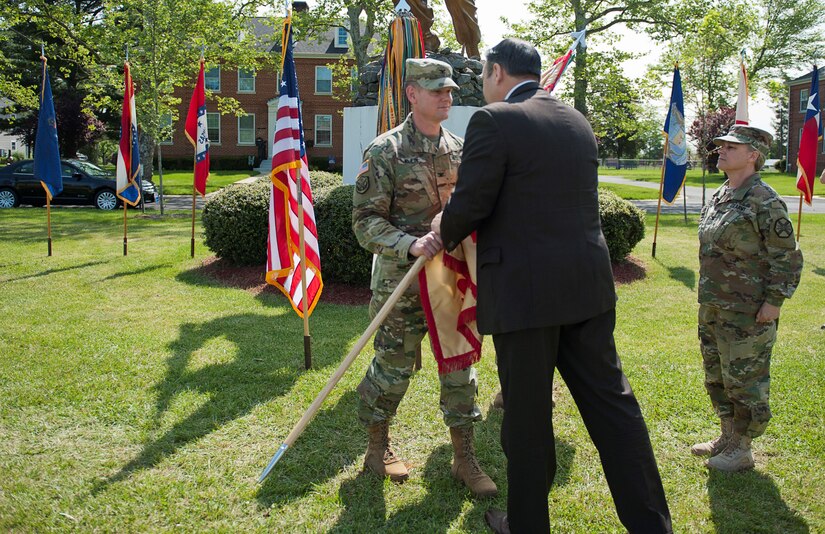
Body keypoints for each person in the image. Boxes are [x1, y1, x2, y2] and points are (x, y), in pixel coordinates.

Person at [432, 39, 672, 533]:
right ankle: (652, 525)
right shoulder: (576, 121)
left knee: (527, 420)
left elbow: (472, 202)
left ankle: (527, 526)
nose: (482, 83)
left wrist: (441, 227)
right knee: (614, 410)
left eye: (483, 74)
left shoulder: (494, 120)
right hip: (586, 289)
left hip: (526, 297)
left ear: (497, 72)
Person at [351, 57, 496, 497]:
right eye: (437, 90)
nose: (447, 96)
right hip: (403, 282)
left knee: (460, 368)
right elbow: (364, 222)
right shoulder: (386, 151)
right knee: (392, 369)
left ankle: (464, 458)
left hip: (451, 279)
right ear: (412, 94)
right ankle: (377, 449)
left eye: (449, 90)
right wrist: (408, 243)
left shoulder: (461, 150)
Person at [692, 125, 803, 471]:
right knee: (717, 375)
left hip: (748, 310)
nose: (721, 151)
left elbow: (787, 257)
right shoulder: (721, 194)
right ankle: (727, 436)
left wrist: (774, 301)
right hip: (714, 305)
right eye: (721, 146)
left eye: (731, 147)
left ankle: (742, 448)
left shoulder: (764, 200)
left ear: (753, 155)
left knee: (745, 380)